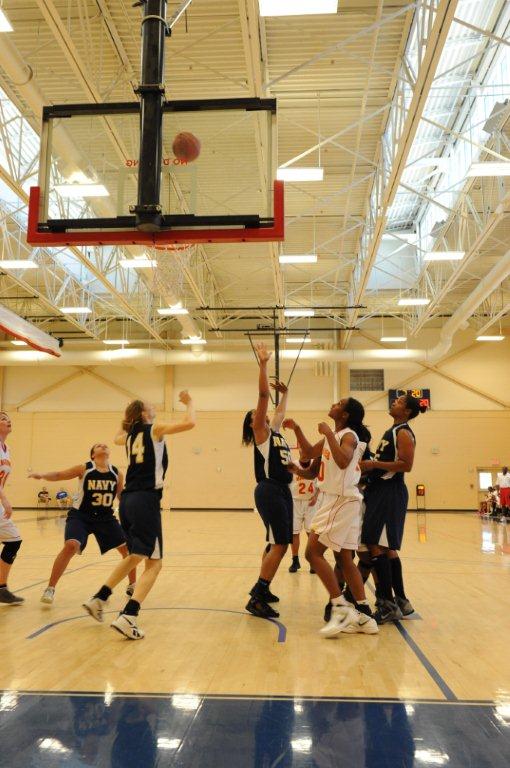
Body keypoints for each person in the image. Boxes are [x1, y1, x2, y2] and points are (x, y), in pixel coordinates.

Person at [82, 391, 195, 640]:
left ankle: (99, 598)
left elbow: (117, 436)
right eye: (149, 406)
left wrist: (128, 419)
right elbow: (190, 423)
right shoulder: (155, 428)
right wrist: (189, 403)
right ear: (144, 414)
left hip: (128, 502)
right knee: (154, 563)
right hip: (145, 499)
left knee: (135, 556)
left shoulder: (130, 434)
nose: (153, 407)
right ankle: (129, 616)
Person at [284, 399, 378, 637]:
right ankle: (365, 615)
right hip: (338, 500)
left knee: (312, 553)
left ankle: (340, 608)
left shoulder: (348, 436)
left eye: (339, 403)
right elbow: (309, 459)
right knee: (345, 558)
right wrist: (297, 433)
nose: (333, 404)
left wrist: (327, 433)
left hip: (339, 499)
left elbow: (343, 460)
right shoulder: (334, 436)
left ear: (345, 414)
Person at [29, 443, 135, 604]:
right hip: (81, 516)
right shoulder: (84, 468)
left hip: (105, 517)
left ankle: (132, 584)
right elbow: (59, 475)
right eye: (99, 446)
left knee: (127, 549)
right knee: (71, 545)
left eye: (105, 445)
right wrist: (43, 475)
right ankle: (50, 588)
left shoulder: (117, 473)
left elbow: (121, 496)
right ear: (93, 455)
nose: (103, 446)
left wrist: (133, 514)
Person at [359, 393, 427, 624]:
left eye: (398, 402)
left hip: (390, 491)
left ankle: (388, 603)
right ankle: (401, 600)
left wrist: (373, 464)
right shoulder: (393, 430)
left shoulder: (404, 432)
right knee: (386, 547)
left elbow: (406, 465)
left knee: (376, 544)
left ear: (407, 411)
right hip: (380, 491)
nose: (393, 403)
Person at [242, 342, 298, 619]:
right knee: (280, 543)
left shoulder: (275, 433)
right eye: (256, 413)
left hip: (282, 490)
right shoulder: (260, 433)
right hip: (269, 490)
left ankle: (264, 588)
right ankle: (257, 594)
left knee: (279, 541)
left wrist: (286, 395)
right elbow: (264, 395)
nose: (262, 412)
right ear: (253, 421)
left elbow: (280, 413)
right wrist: (263, 365)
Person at [0, 411, 23, 605]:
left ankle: (1, 588)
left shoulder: (6, 448)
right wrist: (5, 500)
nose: (8, 421)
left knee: (14, 541)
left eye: (8, 418)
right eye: (3, 418)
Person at [288, 451, 320, 574]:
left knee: (311, 533)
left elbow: (320, 484)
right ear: (300, 452)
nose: (305, 453)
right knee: (294, 532)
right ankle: (295, 560)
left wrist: (316, 497)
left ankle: (313, 561)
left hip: (311, 502)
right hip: (295, 502)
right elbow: (287, 483)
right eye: (303, 451)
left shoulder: (315, 464)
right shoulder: (293, 465)